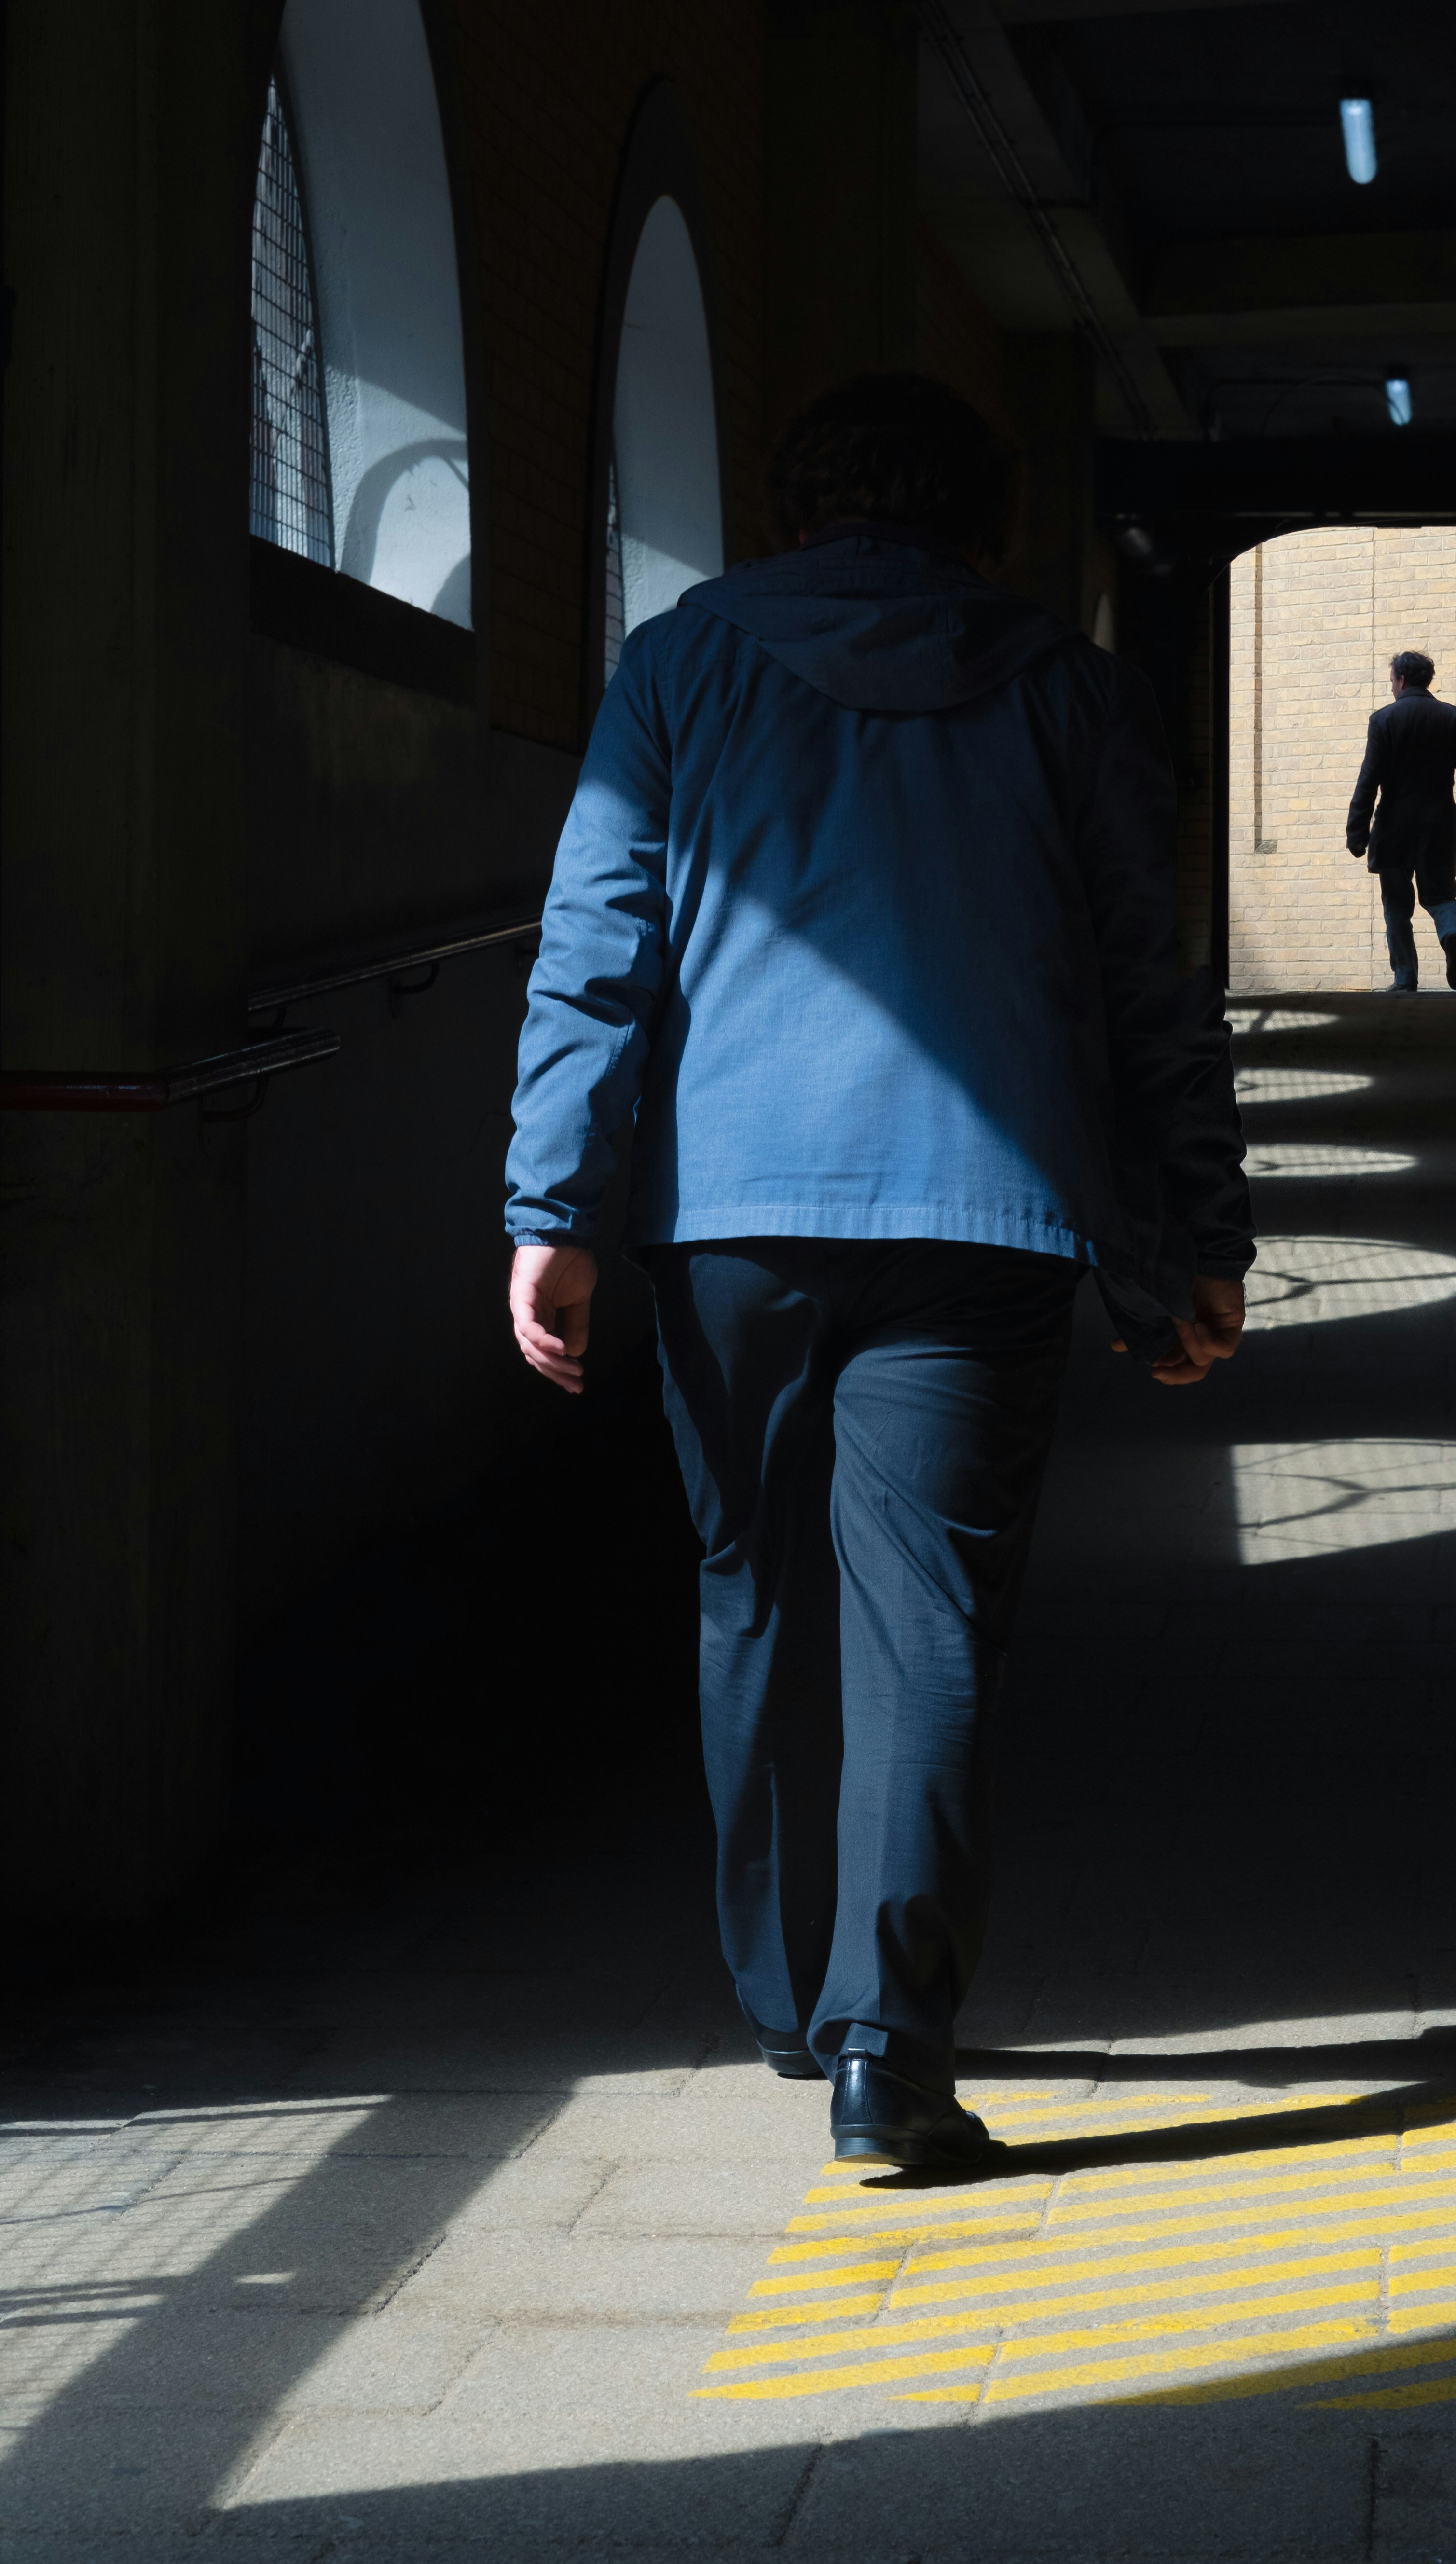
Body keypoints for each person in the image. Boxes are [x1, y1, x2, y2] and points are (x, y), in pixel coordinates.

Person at [503, 374, 1253, 2169]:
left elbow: (600, 942)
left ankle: (783, 1995)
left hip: (730, 1222)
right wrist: (1192, 1239)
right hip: (979, 1218)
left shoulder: (681, 663)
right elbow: (1142, 982)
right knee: (927, 1623)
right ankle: (888, 2054)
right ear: (982, 517)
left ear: (793, 506)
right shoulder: (1065, 689)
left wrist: (556, 1207)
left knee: (749, 1589)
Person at [1345, 648, 1456, 992]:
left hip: (1394, 828)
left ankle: (1405, 977)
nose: (1391, 687)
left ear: (1402, 679)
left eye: (1392, 680)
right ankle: (1452, 936)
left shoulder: (1383, 720)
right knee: (1441, 896)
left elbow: (1369, 779)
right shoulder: (1453, 718)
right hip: (1439, 826)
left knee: (1397, 906)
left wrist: (1357, 833)